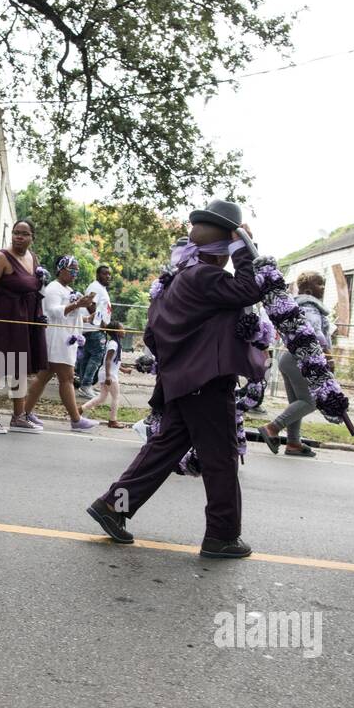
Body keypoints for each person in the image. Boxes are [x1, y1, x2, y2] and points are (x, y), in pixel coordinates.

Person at [86, 200, 264, 558]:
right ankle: (222, 535)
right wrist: (246, 249)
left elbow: (153, 335)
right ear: (224, 250)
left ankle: (113, 506)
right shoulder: (206, 276)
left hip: (184, 381)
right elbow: (251, 289)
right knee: (222, 457)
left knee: (163, 450)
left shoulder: (181, 278)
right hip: (206, 382)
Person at [0, 220, 48, 433]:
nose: (18, 237)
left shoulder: (33, 258)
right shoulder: (0, 256)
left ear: (32, 237)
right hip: (1, 317)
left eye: (24, 234)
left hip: (24, 318)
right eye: (16, 233)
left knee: (19, 367)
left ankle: (18, 416)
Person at [258, 271, 335, 457]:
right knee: (311, 401)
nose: (323, 288)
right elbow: (314, 332)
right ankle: (272, 428)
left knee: (297, 402)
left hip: (290, 358)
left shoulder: (296, 305)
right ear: (308, 289)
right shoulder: (309, 306)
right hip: (301, 358)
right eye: (320, 284)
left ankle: (293, 443)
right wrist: (327, 353)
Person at [20, 255, 98, 432]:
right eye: (72, 270)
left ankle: (24, 412)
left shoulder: (67, 289)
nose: (75, 274)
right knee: (67, 378)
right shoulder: (53, 288)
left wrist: (86, 315)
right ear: (61, 269)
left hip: (64, 339)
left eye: (76, 271)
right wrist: (78, 304)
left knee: (43, 377)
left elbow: (70, 316)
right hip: (57, 340)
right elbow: (52, 312)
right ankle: (76, 420)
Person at [81, 322, 133, 428]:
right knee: (116, 397)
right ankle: (113, 421)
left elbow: (114, 361)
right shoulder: (114, 344)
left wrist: (123, 370)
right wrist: (108, 376)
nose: (124, 331)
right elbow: (108, 360)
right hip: (108, 375)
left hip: (105, 373)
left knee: (102, 397)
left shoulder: (114, 343)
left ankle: (80, 409)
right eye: (122, 329)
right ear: (116, 332)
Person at [76, 263, 114, 398]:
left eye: (109, 274)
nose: (108, 276)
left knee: (87, 357)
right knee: (98, 355)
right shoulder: (95, 286)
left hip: (92, 328)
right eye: (105, 273)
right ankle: (86, 385)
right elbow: (91, 305)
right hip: (94, 328)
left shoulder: (101, 288)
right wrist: (101, 323)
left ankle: (84, 386)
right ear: (98, 275)